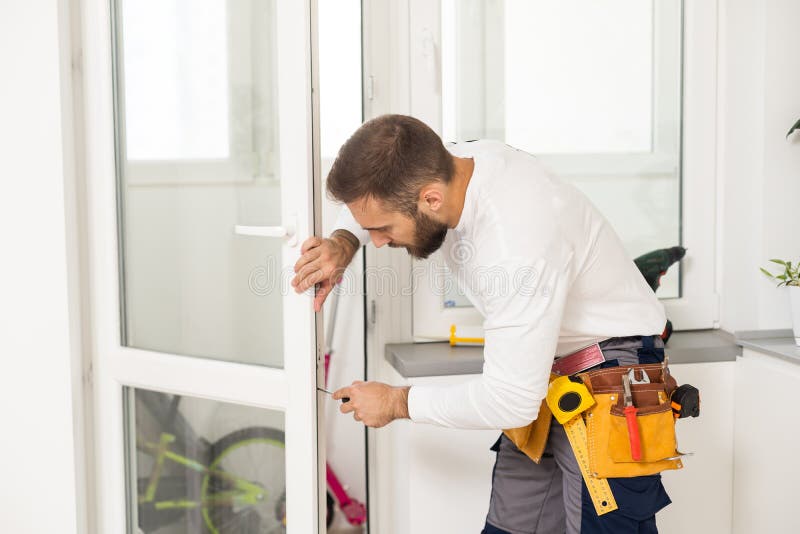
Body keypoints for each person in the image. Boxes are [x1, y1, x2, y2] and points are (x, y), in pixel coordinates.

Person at [291, 114, 672, 533]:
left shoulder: (517, 240)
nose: (378, 242)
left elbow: (509, 400)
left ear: (431, 200)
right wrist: (344, 243)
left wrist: (396, 402)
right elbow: (378, 197)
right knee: (510, 527)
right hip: (544, 368)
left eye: (382, 230)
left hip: (610, 374)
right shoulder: (455, 161)